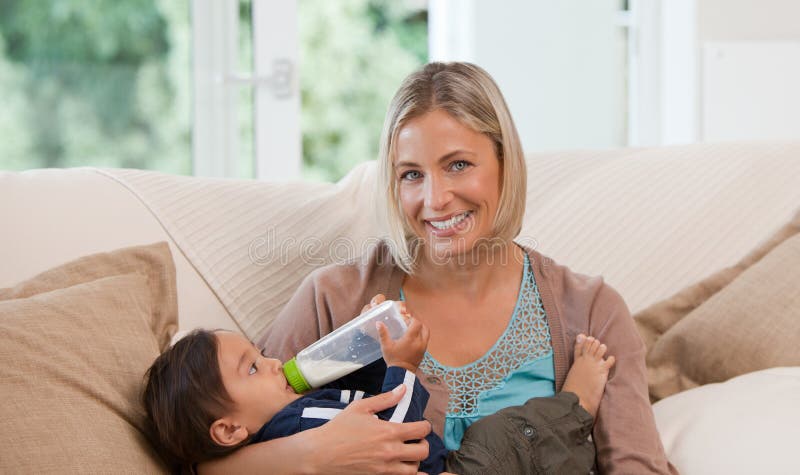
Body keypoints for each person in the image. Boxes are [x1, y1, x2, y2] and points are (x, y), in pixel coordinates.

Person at [200, 62, 678, 474]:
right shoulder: (335, 298)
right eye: (412, 174)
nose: (434, 200)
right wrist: (316, 452)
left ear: (505, 163)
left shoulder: (590, 312)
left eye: (458, 165)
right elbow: (210, 458)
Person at [144, 311, 616, 473]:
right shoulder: (294, 425)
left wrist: (367, 342)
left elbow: (357, 400)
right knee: (509, 437)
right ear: (227, 429)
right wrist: (403, 365)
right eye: (251, 368)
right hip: (447, 465)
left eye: (259, 352)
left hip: (445, 463)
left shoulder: (295, 418)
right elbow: (396, 436)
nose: (271, 362)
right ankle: (578, 406)